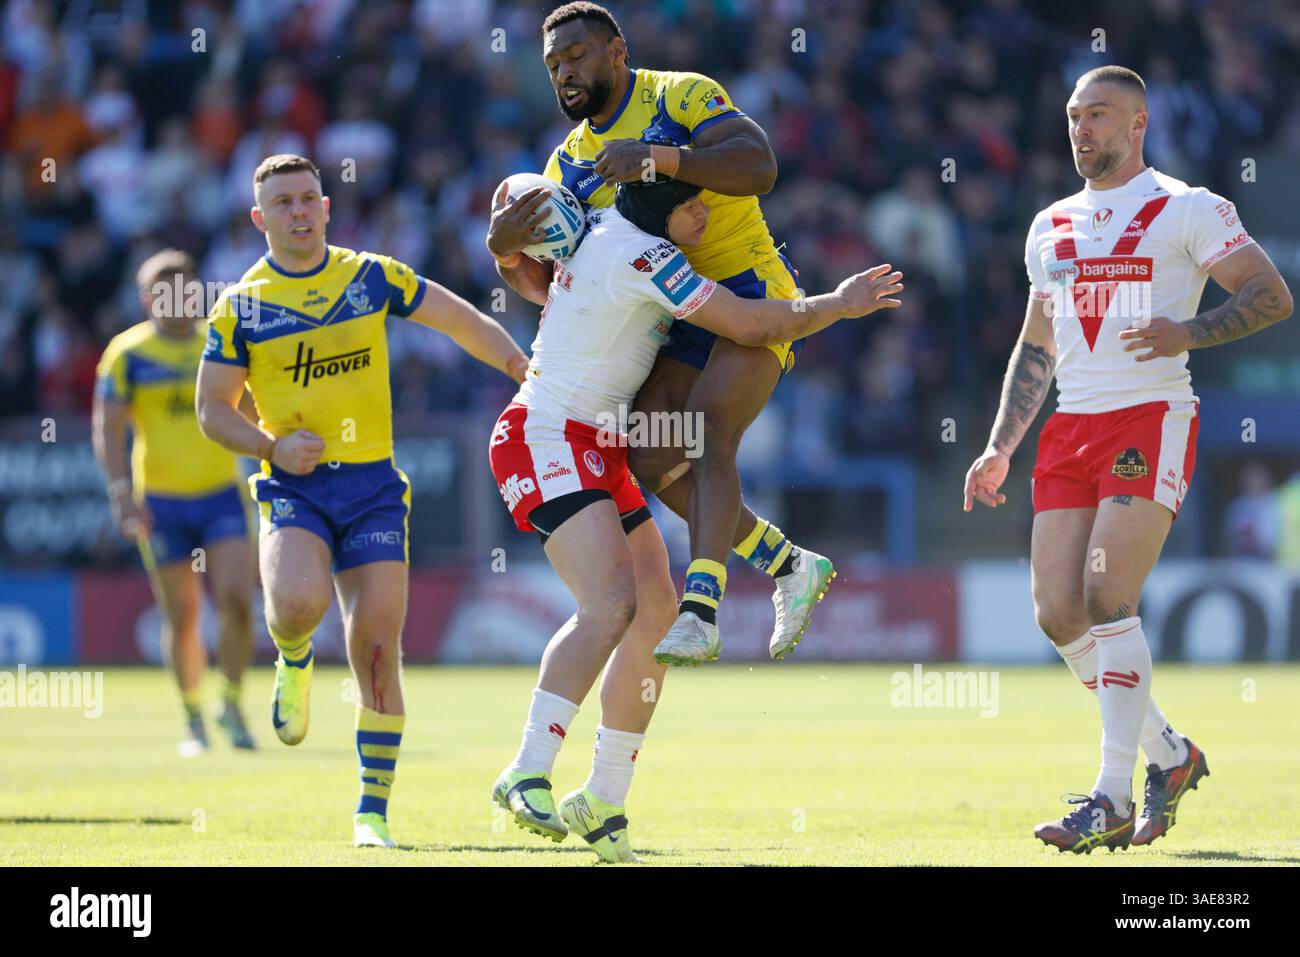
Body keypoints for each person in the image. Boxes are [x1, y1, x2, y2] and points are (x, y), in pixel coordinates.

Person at [489, 175, 902, 861]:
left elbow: (537, 249)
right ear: (666, 214)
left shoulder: (616, 235)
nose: (706, 213)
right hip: (547, 434)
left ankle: (603, 797)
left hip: (597, 441)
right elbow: (753, 323)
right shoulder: (641, 255)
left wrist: (504, 250)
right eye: (694, 205)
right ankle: (526, 768)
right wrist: (841, 303)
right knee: (612, 603)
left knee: (654, 612)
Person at [963, 66, 1292, 854]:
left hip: (1151, 415)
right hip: (1072, 425)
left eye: (1099, 115)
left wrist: (1191, 330)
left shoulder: (1187, 208)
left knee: (1108, 591)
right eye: (1074, 115)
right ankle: (1170, 755)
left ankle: (1109, 795)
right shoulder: (1050, 225)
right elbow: (1037, 344)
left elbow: (1271, 295)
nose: (1081, 129)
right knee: (1056, 611)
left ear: (1138, 123)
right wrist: (1000, 445)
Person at [196, 154, 529, 849]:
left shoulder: (370, 275)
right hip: (294, 485)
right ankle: (292, 656)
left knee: (377, 647)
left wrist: (521, 368)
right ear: (260, 220)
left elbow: (460, 319)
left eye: (308, 198)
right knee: (295, 602)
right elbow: (211, 410)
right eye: (282, 202)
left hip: (374, 485)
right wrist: (270, 447)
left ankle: (371, 812)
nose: (298, 211)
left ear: (326, 207)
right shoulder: (242, 307)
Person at [489, 1, 834, 667]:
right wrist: (505, 252)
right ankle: (790, 563)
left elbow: (759, 165)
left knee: (705, 430)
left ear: (617, 49)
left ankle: (702, 609)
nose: (565, 71)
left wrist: (656, 159)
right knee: (649, 453)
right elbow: (563, 283)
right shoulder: (567, 165)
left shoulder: (680, 94)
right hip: (677, 316)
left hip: (749, 289)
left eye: (578, 54)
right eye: (553, 64)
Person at [93, 249, 257, 756]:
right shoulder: (128, 353)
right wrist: (121, 496)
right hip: (161, 501)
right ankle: (192, 718)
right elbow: (109, 427)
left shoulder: (220, 340)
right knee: (183, 615)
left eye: (188, 290)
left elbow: (254, 407)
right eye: (166, 292)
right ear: (147, 299)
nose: (179, 300)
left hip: (221, 494)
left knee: (236, 600)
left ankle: (230, 702)